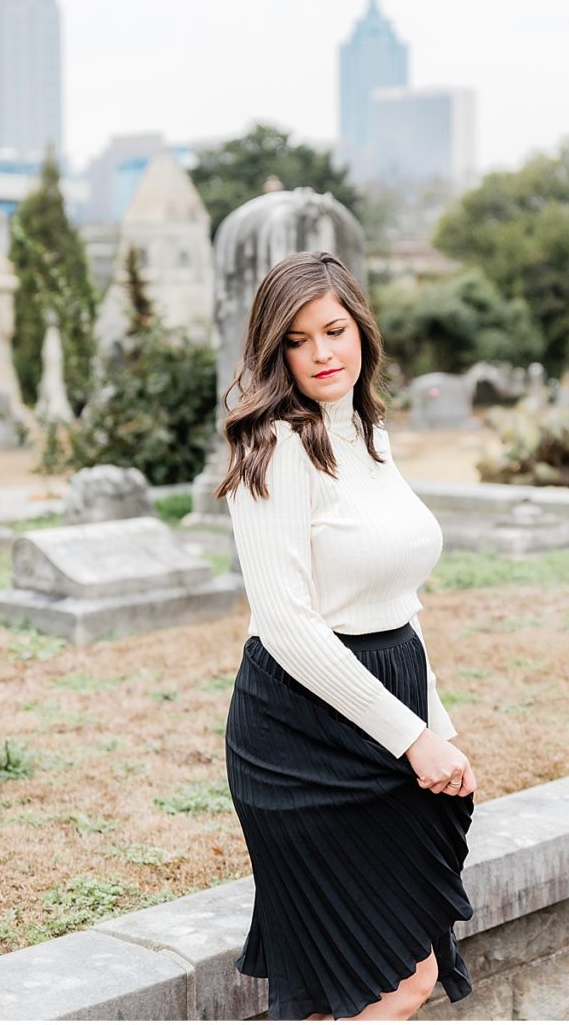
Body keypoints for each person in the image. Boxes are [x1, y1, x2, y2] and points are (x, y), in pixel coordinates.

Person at [215, 251, 476, 1021]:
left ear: (361, 330)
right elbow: (289, 627)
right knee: (400, 975)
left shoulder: (370, 432)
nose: (322, 352)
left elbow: (404, 599)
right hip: (299, 733)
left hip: (390, 707)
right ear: (275, 350)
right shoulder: (272, 447)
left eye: (335, 329)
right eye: (298, 339)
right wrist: (413, 738)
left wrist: (436, 725)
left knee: (362, 981)